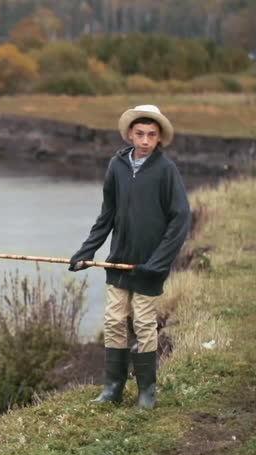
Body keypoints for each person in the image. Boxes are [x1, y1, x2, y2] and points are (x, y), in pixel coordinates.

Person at [68, 105, 191, 409]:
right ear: (130, 134)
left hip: (150, 266)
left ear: (159, 137)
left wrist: (159, 262)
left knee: (145, 323)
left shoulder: (166, 170)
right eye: (140, 134)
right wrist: (86, 251)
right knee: (113, 321)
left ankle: (147, 392)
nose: (145, 140)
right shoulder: (117, 166)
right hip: (118, 261)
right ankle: (113, 388)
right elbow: (107, 214)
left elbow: (181, 219)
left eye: (151, 134)